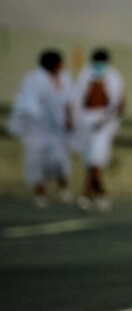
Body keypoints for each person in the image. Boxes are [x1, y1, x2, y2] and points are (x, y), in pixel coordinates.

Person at [8, 49, 75, 208]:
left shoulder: (65, 79)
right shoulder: (34, 79)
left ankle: (63, 188)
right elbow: (27, 102)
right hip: (38, 128)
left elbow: (69, 101)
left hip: (57, 129)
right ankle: (40, 193)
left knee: (60, 160)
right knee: (36, 161)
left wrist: (69, 119)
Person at [71, 48, 125, 212]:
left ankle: (86, 193)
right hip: (86, 120)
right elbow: (77, 99)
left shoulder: (114, 77)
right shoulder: (84, 75)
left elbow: (119, 102)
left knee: (96, 157)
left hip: (104, 121)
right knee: (90, 160)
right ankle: (101, 193)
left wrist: (111, 118)